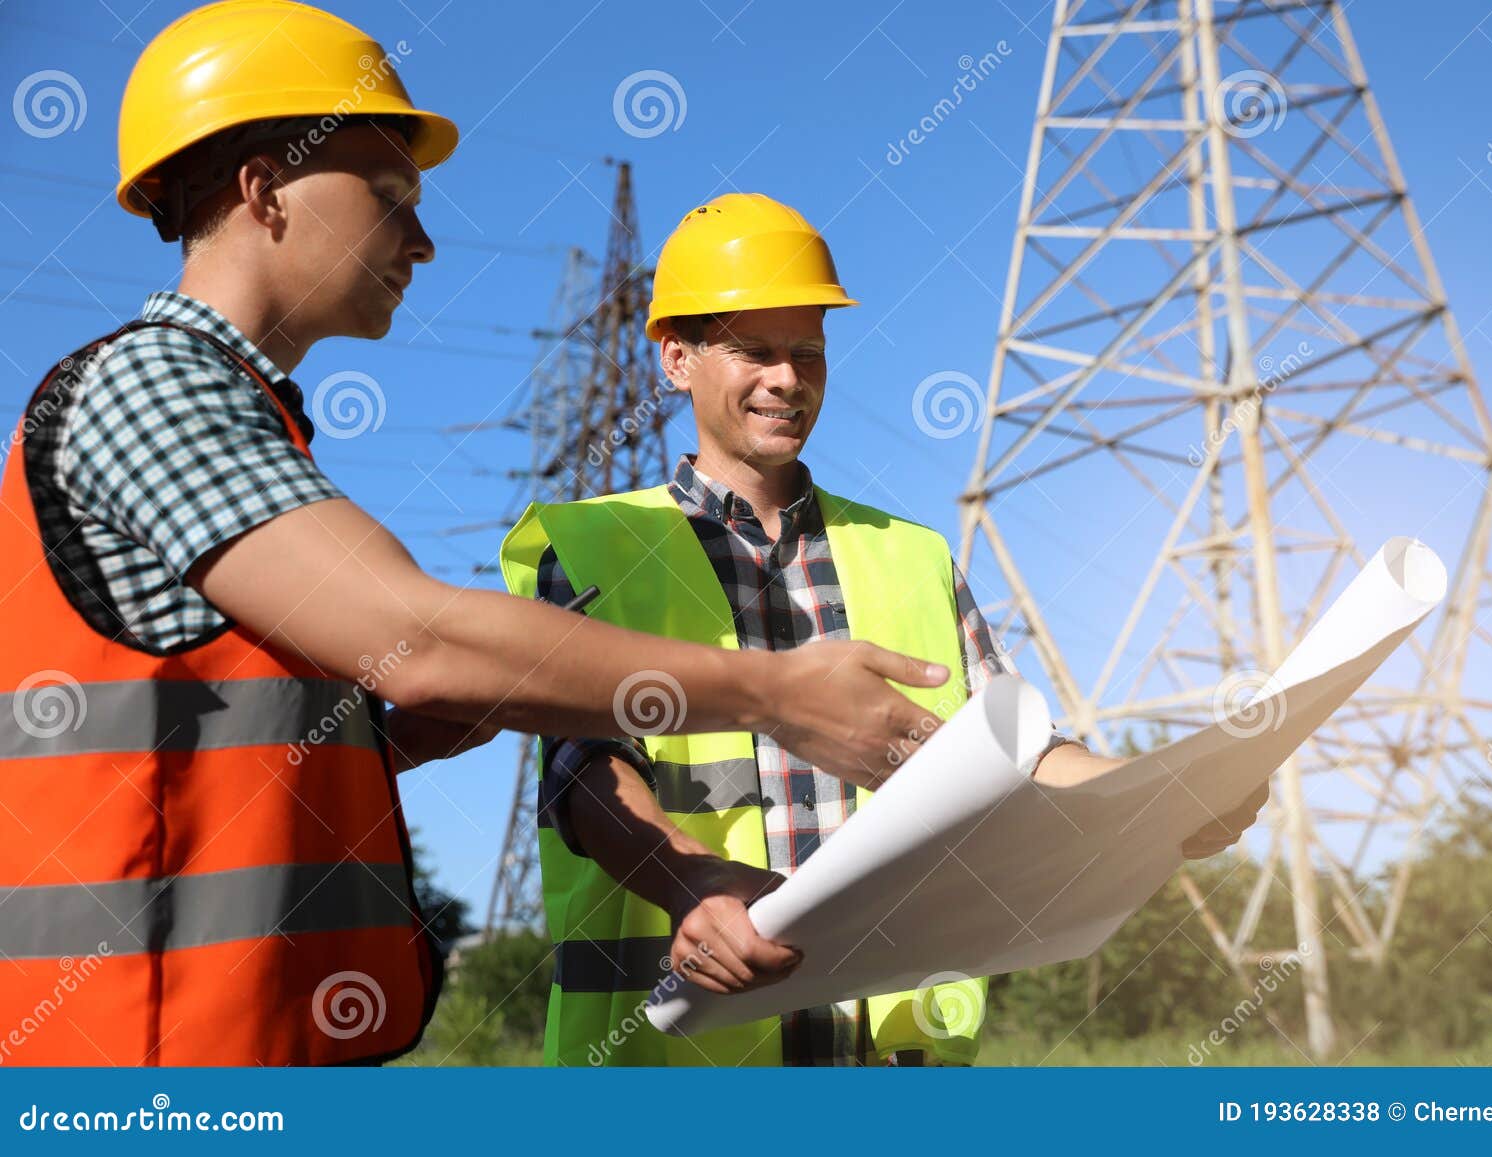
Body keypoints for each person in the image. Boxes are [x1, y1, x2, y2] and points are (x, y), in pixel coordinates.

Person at [0, 3, 948, 1067]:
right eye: (389, 195)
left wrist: (384, 743)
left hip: (218, 1047)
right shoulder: (149, 385)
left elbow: (219, 756)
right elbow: (422, 639)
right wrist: (779, 693)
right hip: (128, 1061)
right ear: (264, 190)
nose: (421, 240)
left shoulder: (245, 415)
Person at [501, 192, 1270, 1066]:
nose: (787, 378)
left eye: (808, 352)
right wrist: (688, 880)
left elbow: (1009, 751)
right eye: (755, 350)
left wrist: (1157, 791)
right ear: (677, 358)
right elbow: (584, 769)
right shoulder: (593, 544)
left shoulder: (911, 555)